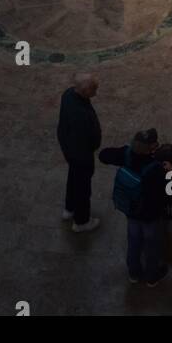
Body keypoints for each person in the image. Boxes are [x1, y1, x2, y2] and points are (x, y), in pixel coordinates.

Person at [99, 129, 168, 285]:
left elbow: (103, 155)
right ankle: (152, 276)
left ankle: (134, 274)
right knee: (151, 247)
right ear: (151, 148)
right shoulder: (156, 168)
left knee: (133, 242)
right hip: (150, 215)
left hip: (132, 211)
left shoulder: (126, 154)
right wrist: (171, 172)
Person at [57, 73, 102, 232]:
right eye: (94, 89)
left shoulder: (69, 94)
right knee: (83, 187)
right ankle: (81, 221)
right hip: (81, 154)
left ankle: (69, 209)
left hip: (70, 150)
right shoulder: (80, 114)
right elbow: (87, 137)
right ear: (85, 91)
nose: (96, 92)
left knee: (73, 178)